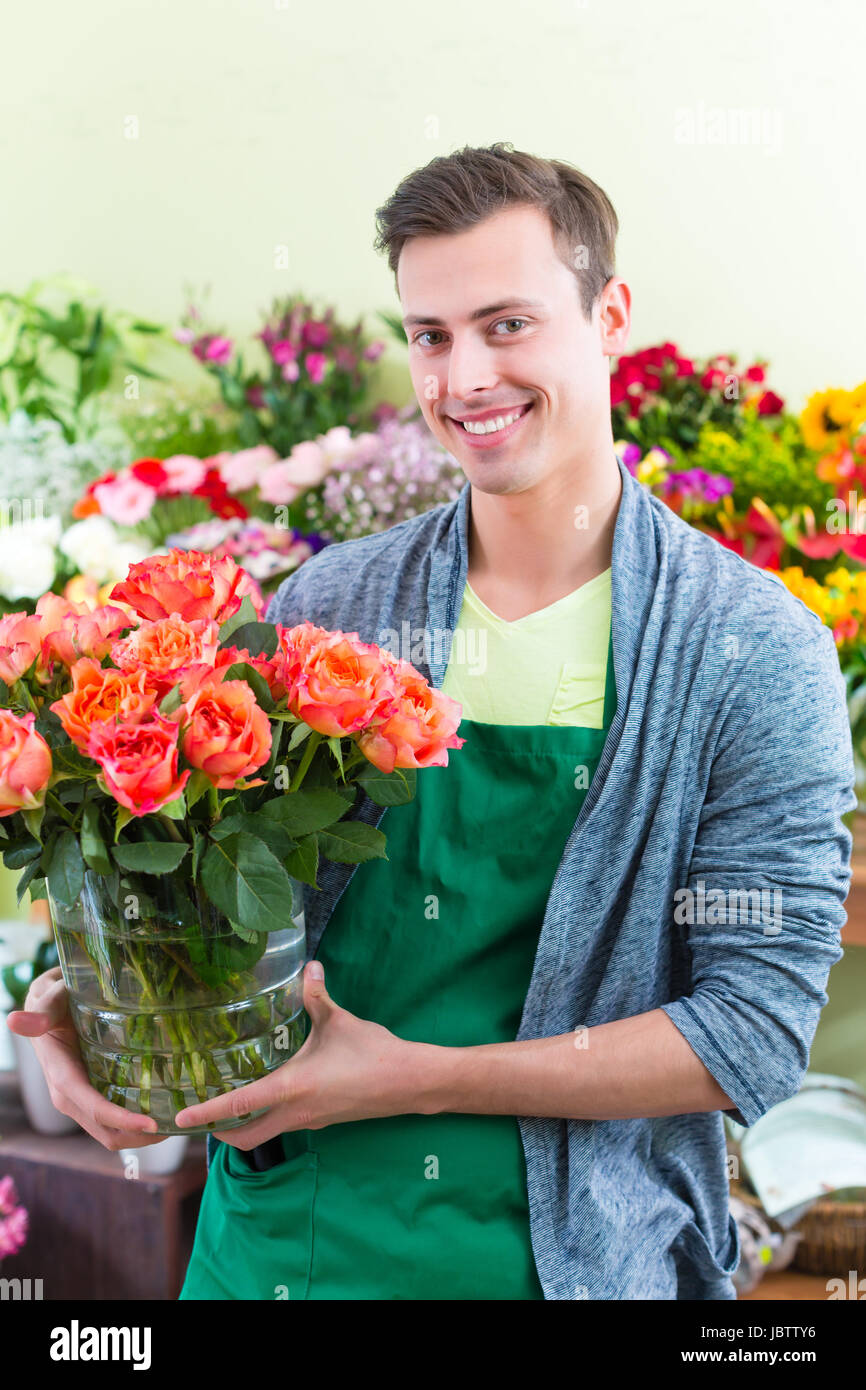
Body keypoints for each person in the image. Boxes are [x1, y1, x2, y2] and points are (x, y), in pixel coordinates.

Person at [10, 142, 855, 1300]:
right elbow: (225, 908)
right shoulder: (332, 608)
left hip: (560, 1262)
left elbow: (747, 1033)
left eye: (505, 324)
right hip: (283, 1241)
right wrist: (94, 1001)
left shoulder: (750, 655)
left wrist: (414, 1077)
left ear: (607, 313)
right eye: (429, 334)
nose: (462, 379)